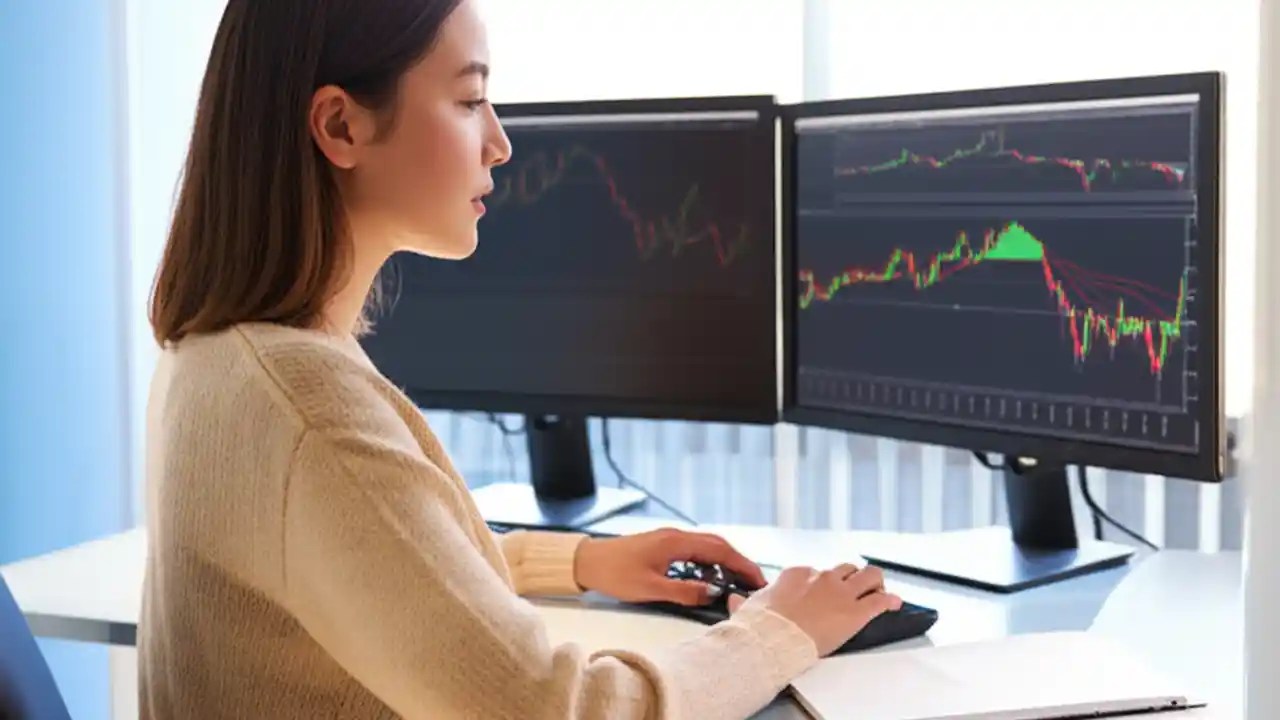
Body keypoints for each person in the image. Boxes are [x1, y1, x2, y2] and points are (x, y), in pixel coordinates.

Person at [137, 0, 902, 718]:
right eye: (470, 102)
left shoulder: (218, 355)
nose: (500, 142)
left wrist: (581, 563)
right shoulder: (307, 404)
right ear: (341, 125)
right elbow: (552, 708)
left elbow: (387, 563)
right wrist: (778, 632)